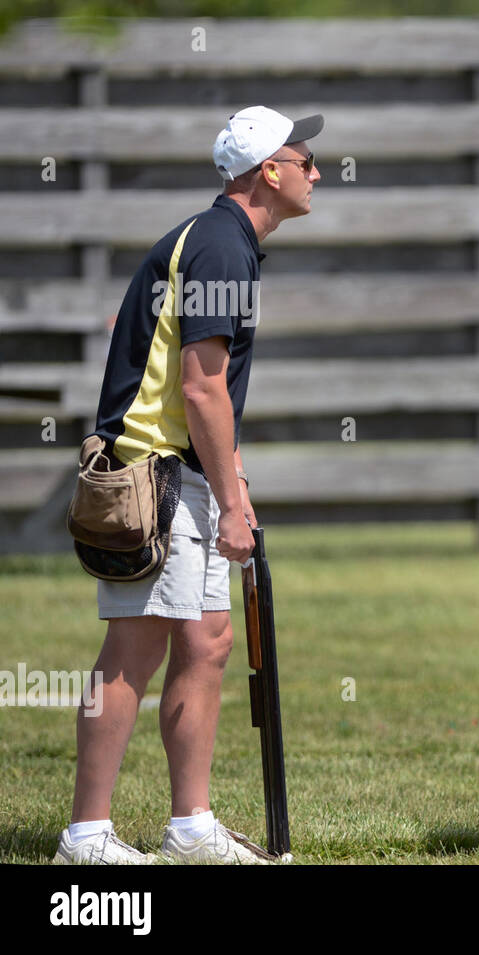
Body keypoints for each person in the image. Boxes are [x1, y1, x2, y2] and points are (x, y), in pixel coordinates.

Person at [54, 107, 323, 864]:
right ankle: (86, 835)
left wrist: (231, 477)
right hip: (154, 477)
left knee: (207, 642)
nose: (317, 172)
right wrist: (229, 500)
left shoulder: (227, 244)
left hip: (186, 472)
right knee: (132, 649)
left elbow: (210, 394)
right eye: (305, 159)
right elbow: (202, 389)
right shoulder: (219, 248)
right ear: (268, 171)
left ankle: (191, 827)